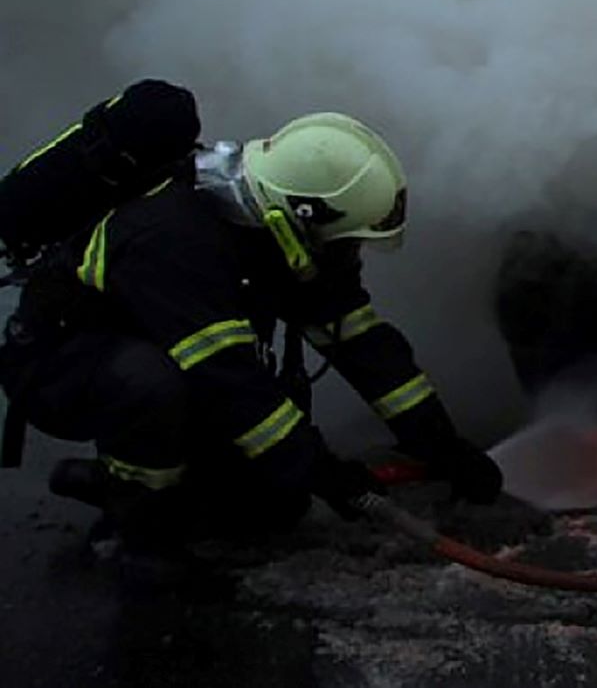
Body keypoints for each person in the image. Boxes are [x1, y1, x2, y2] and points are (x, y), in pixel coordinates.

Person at [0, 110, 502, 589]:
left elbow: (361, 342)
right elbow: (230, 385)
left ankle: (113, 481)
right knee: (150, 382)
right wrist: (325, 472)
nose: (350, 253)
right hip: (63, 367)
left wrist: (440, 445)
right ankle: (139, 532)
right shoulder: (173, 236)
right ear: (300, 214)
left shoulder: (282, 234)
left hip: (185, 365)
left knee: (273, 504)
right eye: (345, 241)